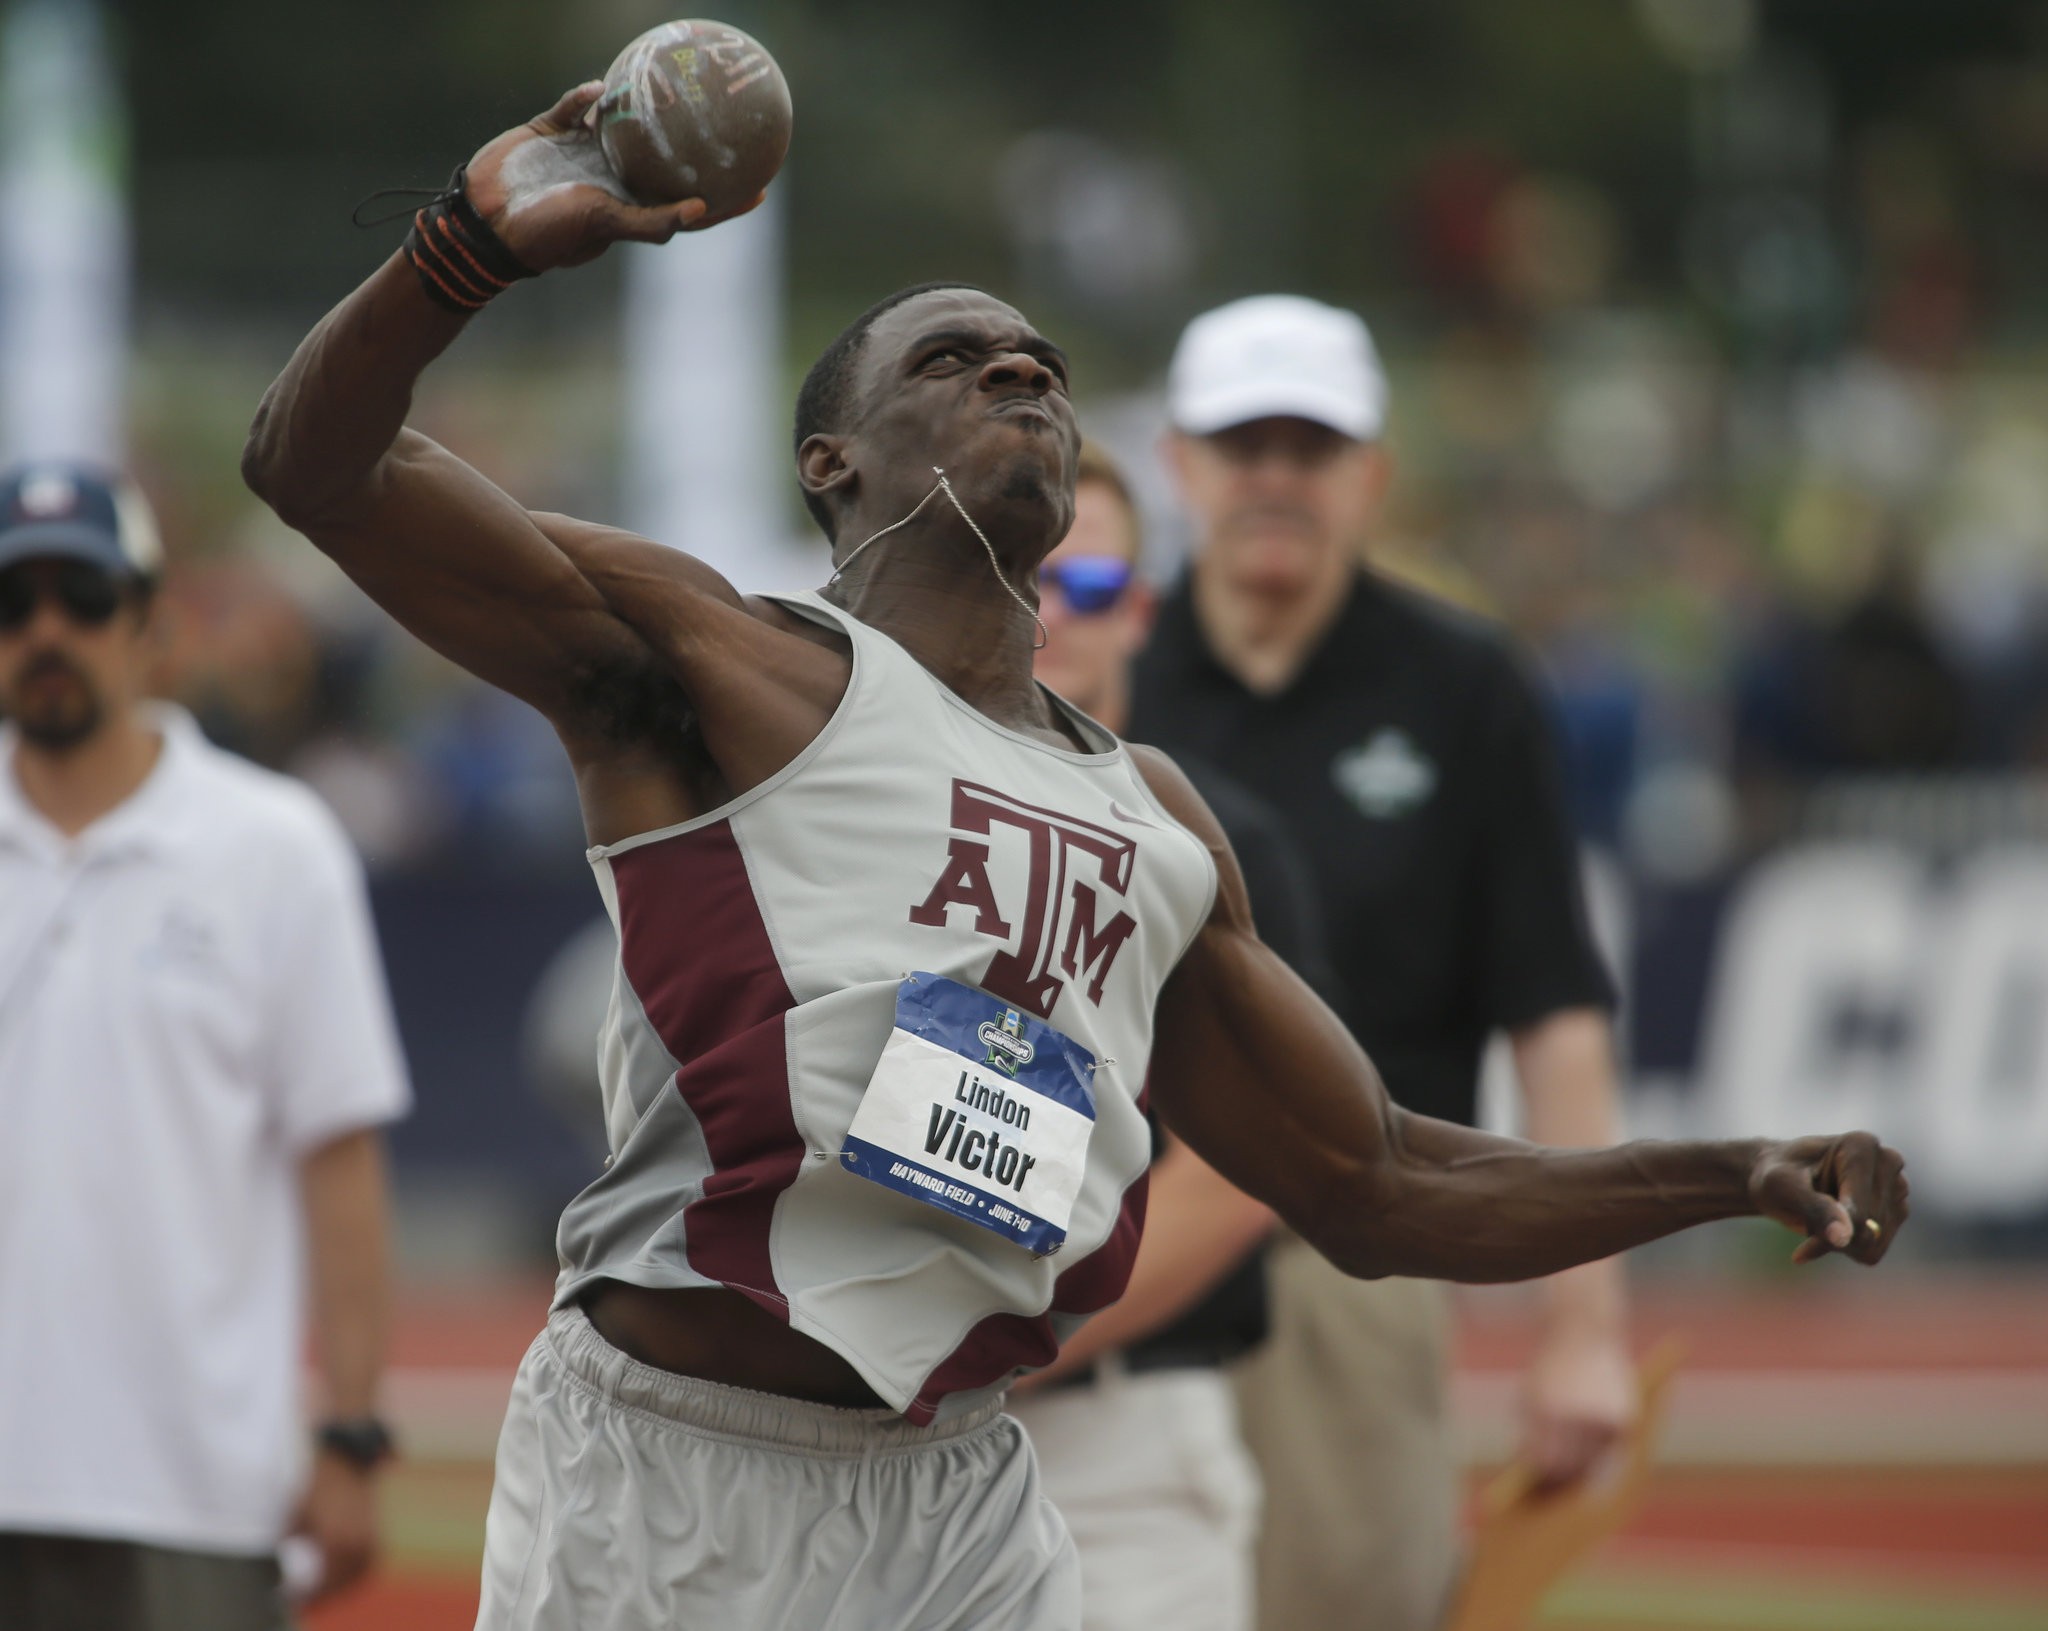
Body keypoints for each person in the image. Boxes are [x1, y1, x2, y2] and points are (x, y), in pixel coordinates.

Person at [242, 84, 1909, 1631]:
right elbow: (315, 466)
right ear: (833, 464)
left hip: (962, 1492)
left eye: (1039, 359)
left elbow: (1381, 1183)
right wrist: (454, 253)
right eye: (955, 361)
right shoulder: (721, 664)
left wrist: (1728, 1168)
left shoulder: (1155, 822)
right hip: (675, 1461)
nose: (1020, 372)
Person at [1130, 293, 1638, 1631]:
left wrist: (1582, 1329)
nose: (1277, 479)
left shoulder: (1465, 684)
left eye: (1313, 447)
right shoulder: (1105, 666)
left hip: (1341, 1262)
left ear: (1374, 474)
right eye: (1246, 446)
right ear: (1181, 462)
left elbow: (1556, 1008)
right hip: (1110, 1250)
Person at [0, 462, 411, 1631]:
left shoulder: (273, 848)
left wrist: (350, 1430)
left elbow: (339, 1155)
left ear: (149, 626)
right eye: (11, 602)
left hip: (191, 1487)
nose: (44, 631)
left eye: (79, 595)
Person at [1008, 442, 1319, 1631]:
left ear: (1138, 610)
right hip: (878, 1430)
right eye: (1015, 576)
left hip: (1118, 1446)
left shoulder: (1223, 850)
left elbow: (1248, 1170)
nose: (1046, 614)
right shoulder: (882, 817)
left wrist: (1007, 1343)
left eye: (1084, 586)